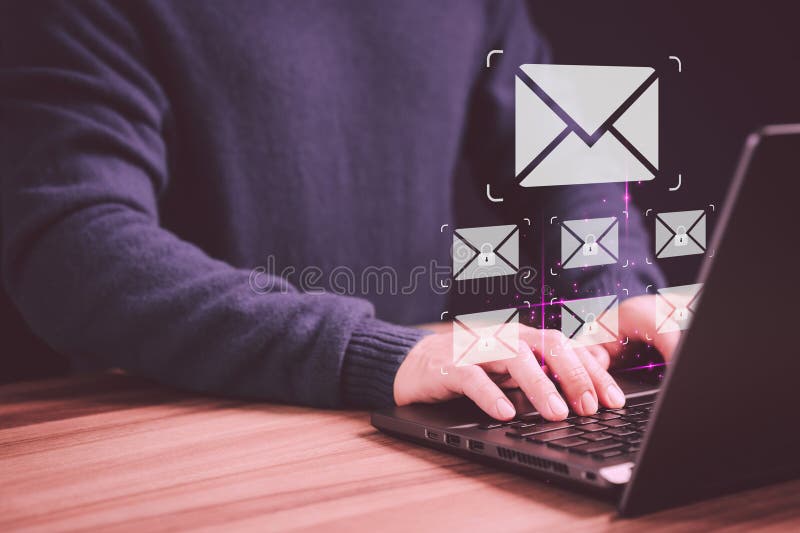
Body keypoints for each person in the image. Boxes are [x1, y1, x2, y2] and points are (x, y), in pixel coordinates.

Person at [0, 0, 673, 421]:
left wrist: (611, 294)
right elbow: (69, 242)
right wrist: (366, 352)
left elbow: (568, 155)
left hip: (410, 418)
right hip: (179, 427)